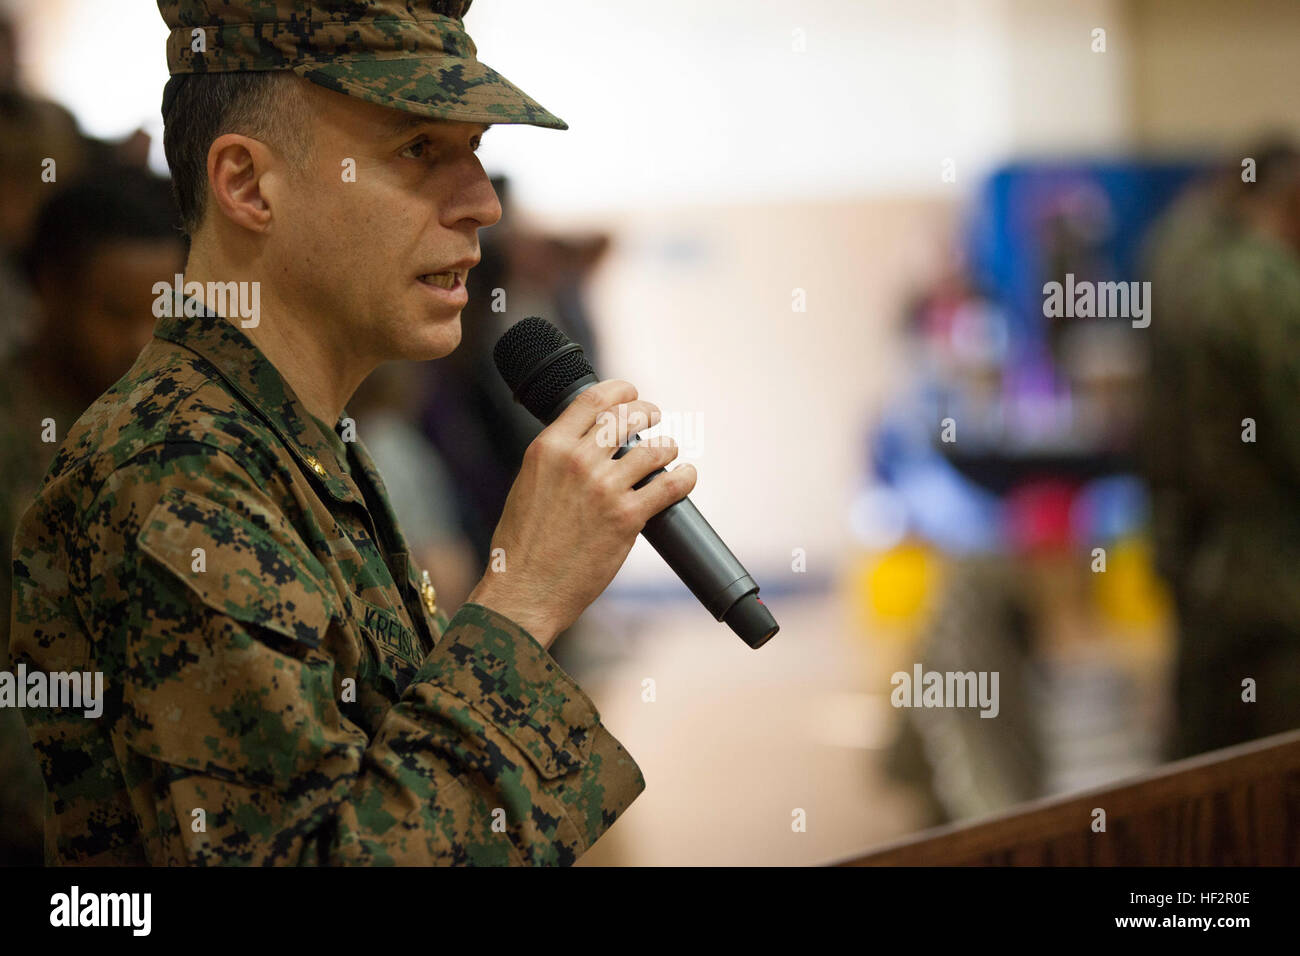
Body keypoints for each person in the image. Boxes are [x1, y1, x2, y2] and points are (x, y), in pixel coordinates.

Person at [9, 0, 696, 865]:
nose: (480, 202)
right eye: (419, 150)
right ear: (249, 184)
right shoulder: (176, 472)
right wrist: (523, 601)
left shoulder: (284, 441)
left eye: (476, 151)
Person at [0, 166, 184, 865]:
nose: (140, 342)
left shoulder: (166, 427)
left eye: (159, 314)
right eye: (114, 313)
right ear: (49, 287)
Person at [1140, 141, 1300, 759]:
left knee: (1210, 780)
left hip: (1210, 560)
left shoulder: (1186, 251)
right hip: (1272, 588)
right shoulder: (1262, 281)